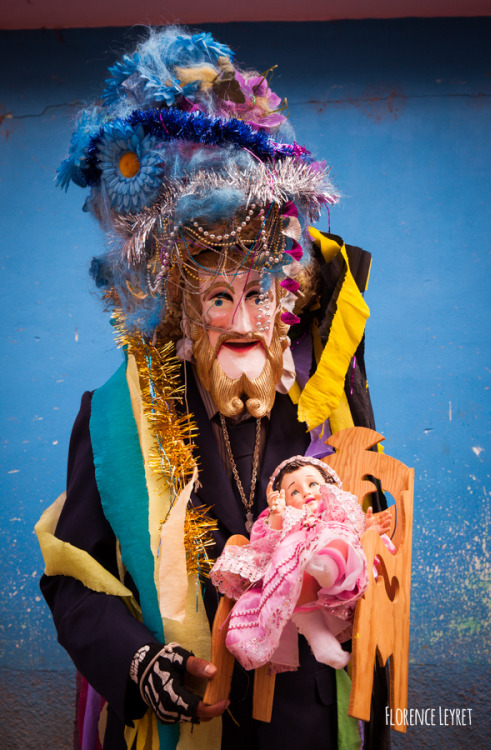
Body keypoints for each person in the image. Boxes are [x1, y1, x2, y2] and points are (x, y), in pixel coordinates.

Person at [36, 25, 391, 750]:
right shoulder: (112, 418)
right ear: (177, 301)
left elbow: (376, 518)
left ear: (283, 291)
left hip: (317, 726)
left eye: (258, 292)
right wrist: (139, 663)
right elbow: (75, 582)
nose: (241, 319)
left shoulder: (327, 386)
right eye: (216, 294)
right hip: (189, 725)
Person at [211, 456, 392, 673]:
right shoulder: (288, 519)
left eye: (313, 483)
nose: (305, 492)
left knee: (339, 537)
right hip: (299, 576)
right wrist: (277, 515)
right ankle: (319, 637)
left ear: (329, 486)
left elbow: (358, 537)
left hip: (342, 576)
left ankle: (326, 566)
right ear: (284, 500)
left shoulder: (336, 512)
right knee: (289, 552)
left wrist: (367, 528)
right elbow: (266, 542)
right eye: (294, 491)